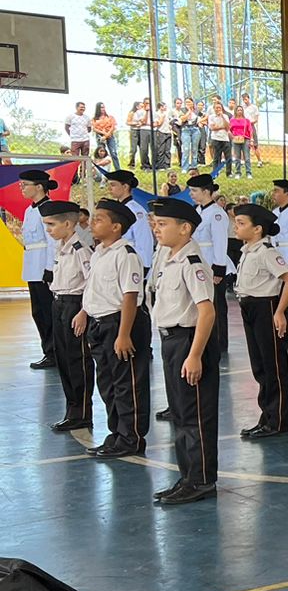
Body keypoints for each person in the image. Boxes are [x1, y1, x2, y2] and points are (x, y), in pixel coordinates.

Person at [146, 197, 220, 505]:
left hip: (189, 340)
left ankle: (202, 479)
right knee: (180, 413)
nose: (157, 229)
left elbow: (207, 311)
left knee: (195, 413)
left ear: (185, 228)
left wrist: (194, 355)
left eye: (163, 224)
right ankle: (187, 475)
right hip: (171, 340)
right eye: (156, 223)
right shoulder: (169, 257)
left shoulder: (192, 263)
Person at [79, 198, 151, 459]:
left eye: (99, 219)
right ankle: (116, 434)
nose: (91, 223)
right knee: (107, 384)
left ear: (116, 227)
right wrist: (84, 312)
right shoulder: (99, 253)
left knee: (127, 384)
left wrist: (123, 334)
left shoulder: (127, 254)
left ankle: (131, 437)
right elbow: (95, 289)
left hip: (121, 323)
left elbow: (130, 297)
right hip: (100, 324)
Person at [232, 203, 288, 439]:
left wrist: (280, 311)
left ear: (257, 229)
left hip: (265, 307)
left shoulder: (266, 252)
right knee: (259, 366)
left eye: (241, 223)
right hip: (249, 307)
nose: (236, 227)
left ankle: (278, 420)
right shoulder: (248, 250)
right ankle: (267, 416)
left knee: (273, 366)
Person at [40, 199, 94, 431]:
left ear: (69, 224)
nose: (49, 230)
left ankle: (82, 411)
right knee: (63, 359)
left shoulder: (80, 249)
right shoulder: (61, 247)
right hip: (59, 304)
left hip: (75, 305)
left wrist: (84, 311)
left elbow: (92, 282)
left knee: (77, 360)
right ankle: (72, 409)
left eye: (52, 224)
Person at [186, 174, 233, 358]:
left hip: (212, 262)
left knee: (217, 305)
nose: (191, 194)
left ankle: (220, 341)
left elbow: (220, 241)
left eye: (194, 191)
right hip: (199, 261)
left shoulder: (217, 213)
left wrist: (219, 267)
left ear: (207, 191)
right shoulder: (198, 210)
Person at [18, 169, 58, 369]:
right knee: (38, 312)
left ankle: (55, 352)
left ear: (39, 186)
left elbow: (52, 242)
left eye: (25, 185)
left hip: (43, 266)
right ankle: (48, 351)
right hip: (32, 266)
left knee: (48, 312)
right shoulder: (29, 210)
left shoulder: (48, 208)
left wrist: (49, 268)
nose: (22, 188)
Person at [101, 170, 154, 268]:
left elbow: (144, 239)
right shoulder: (116, 209)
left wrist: (145, 265)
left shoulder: (136, 210)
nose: (109, 189)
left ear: (125, 186)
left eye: (113, 185)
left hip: (133, 261)